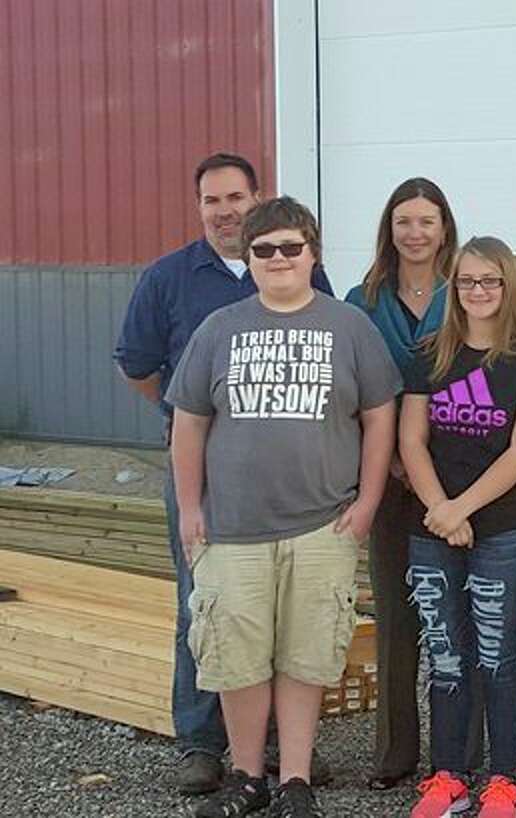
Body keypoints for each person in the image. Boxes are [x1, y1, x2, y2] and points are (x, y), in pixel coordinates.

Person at [167, 196, 400, 818]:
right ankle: (247, 777)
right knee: (238, 661)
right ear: (250, 258)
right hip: (233, 530)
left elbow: (380, 418)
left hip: (322, 527)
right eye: (264, 249)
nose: (278, 258)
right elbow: (188, 425)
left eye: (290, 247)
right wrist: (190, 509)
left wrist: (370, 501)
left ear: (312, 253)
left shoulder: (350, 327)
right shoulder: (218, 329)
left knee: (306, 655)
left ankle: (295, 779)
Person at [114, 153, 333, 795]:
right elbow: (137, 363)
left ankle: (275, 748)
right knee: (206, 609)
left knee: (280, 612)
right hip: (204, 481)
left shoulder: (297, 264)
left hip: (288, 484)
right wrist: (185, 419)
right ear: (199, 207)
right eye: (212, 200)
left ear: (256, 197)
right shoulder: (170, 279)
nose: (225, 210)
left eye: (236, 196)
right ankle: (204, 745)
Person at [401, 236, 516, 818]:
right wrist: (442, 510)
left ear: (508, 286)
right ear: (454, 288)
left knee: (497, 655)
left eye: (490, 281)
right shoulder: (428, 354)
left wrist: (461, 509)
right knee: (445, 654)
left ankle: (503, 782)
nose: (478, 292)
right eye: (467, 282)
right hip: (433, 525)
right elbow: (410, 440)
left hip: (503, 529)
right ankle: (448, 778)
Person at [345, 177, 484, 790]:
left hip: (458, 480)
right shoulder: (361, 299)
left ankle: (461, 753)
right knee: (399, 621)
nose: (416, 232)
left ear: (444, 228)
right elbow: (345, 387)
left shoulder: (470, 293)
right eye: (404, 221)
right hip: (386, 477)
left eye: (427, 221)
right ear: (389, 229)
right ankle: (395, 755)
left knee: (462, 618)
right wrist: (393, 461)